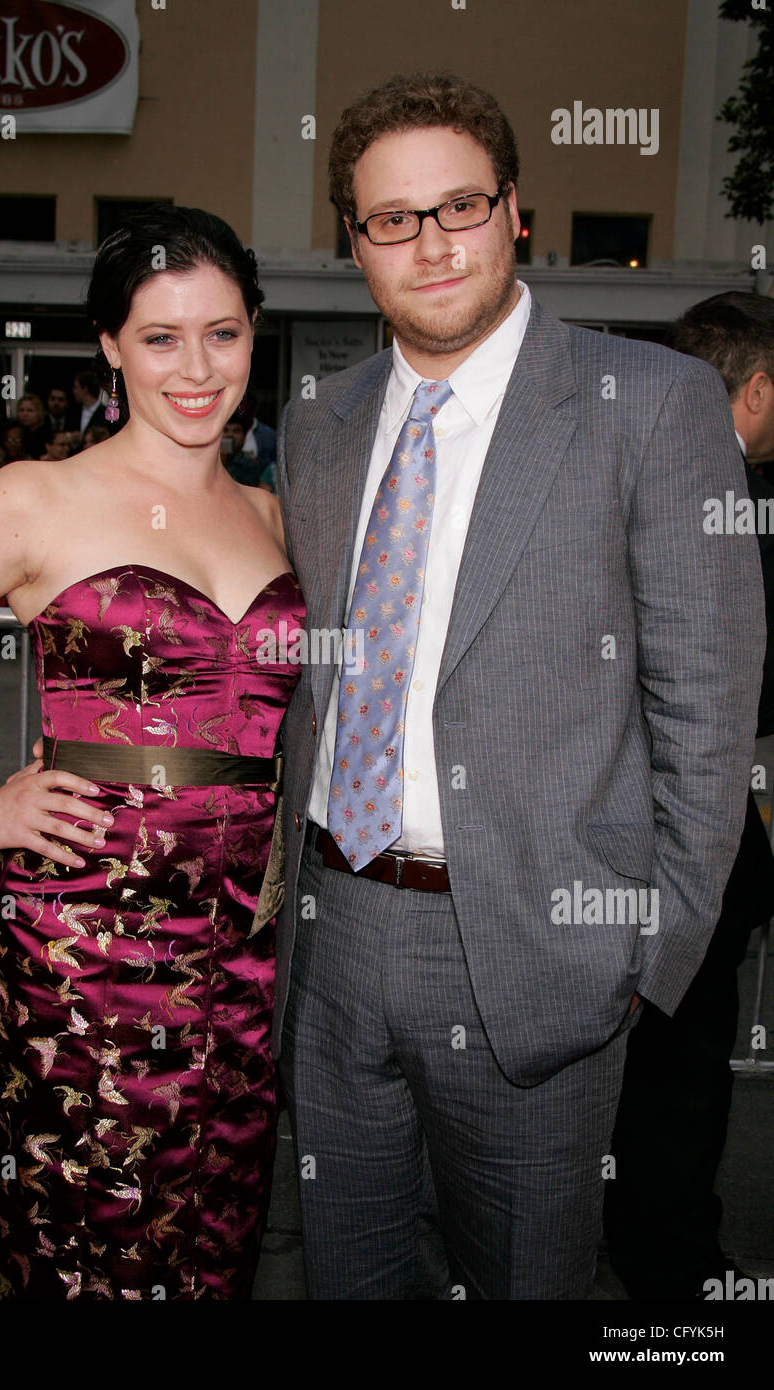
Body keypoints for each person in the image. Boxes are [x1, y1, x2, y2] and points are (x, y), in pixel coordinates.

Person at [273, 71, 763, 1301]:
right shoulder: (318, 422)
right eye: (392, 218)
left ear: (514, 213)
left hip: (538, 959)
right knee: (349, 1275)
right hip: (333, 941)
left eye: (459, 206)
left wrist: (647, 966)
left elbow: (707, 709)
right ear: (354, 242)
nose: (430, 244)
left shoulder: (650, 404)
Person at [0, 203, 302, 1301]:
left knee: (206, 1236)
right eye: (159, 336)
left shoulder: (275, 513)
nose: (197, 368)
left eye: (223, 332)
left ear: (253, 336)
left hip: (241, 953)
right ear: (108, 343)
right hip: (83, 949)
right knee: (77, 1230)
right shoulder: (34, 498)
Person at [605, 291, 774, 1300]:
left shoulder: (619, 477)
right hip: (689, 843)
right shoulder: (728, 505)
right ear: (752, 388)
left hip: (595, 838)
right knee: (679, 1068)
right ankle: (671, 1267)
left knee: (620, 1066)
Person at [15, 394, 53, 459]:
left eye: (30, 410)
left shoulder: (47, 434)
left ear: (39, 413)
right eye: (21, 410)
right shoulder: (16, 433)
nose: (25, 414)